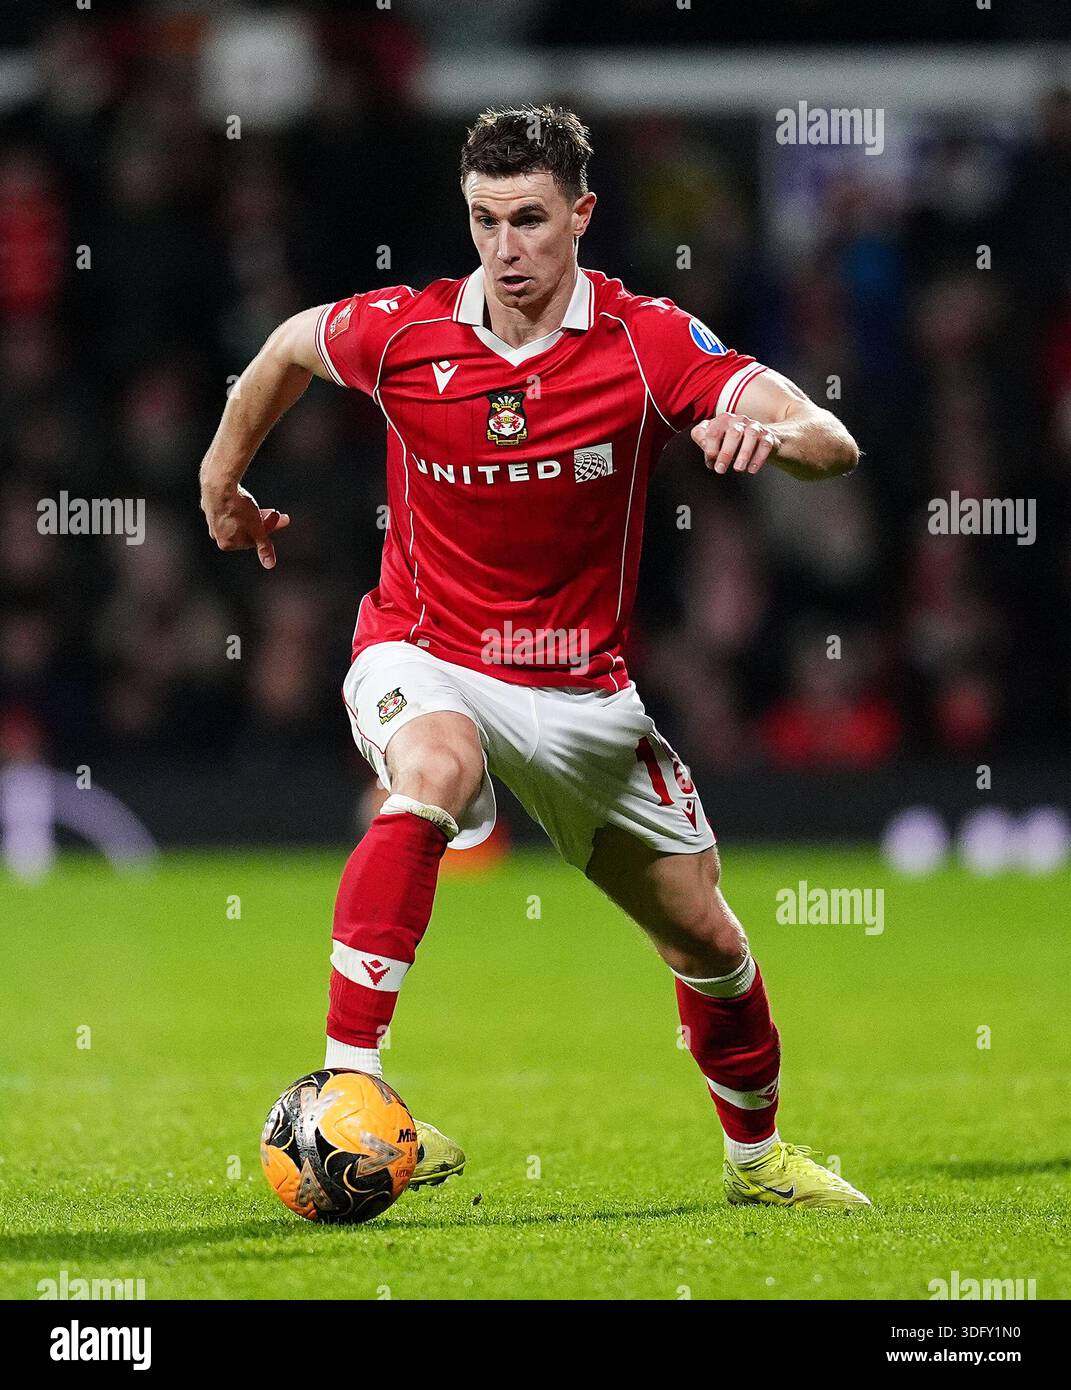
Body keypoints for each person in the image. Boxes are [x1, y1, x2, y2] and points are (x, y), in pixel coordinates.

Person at [199, 106, 869, 1208]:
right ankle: (349, 1089)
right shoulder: (410, 333)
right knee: (434, 770)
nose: (506, 249)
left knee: (708, 936)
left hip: (578, 692)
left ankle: (758, 1164)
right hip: (423, 644)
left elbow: (829, 441)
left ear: (582, 215)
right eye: (483, 220)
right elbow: (284, 348)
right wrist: (221, 484)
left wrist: (771, 440)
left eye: (530, 220)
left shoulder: (647, 342)